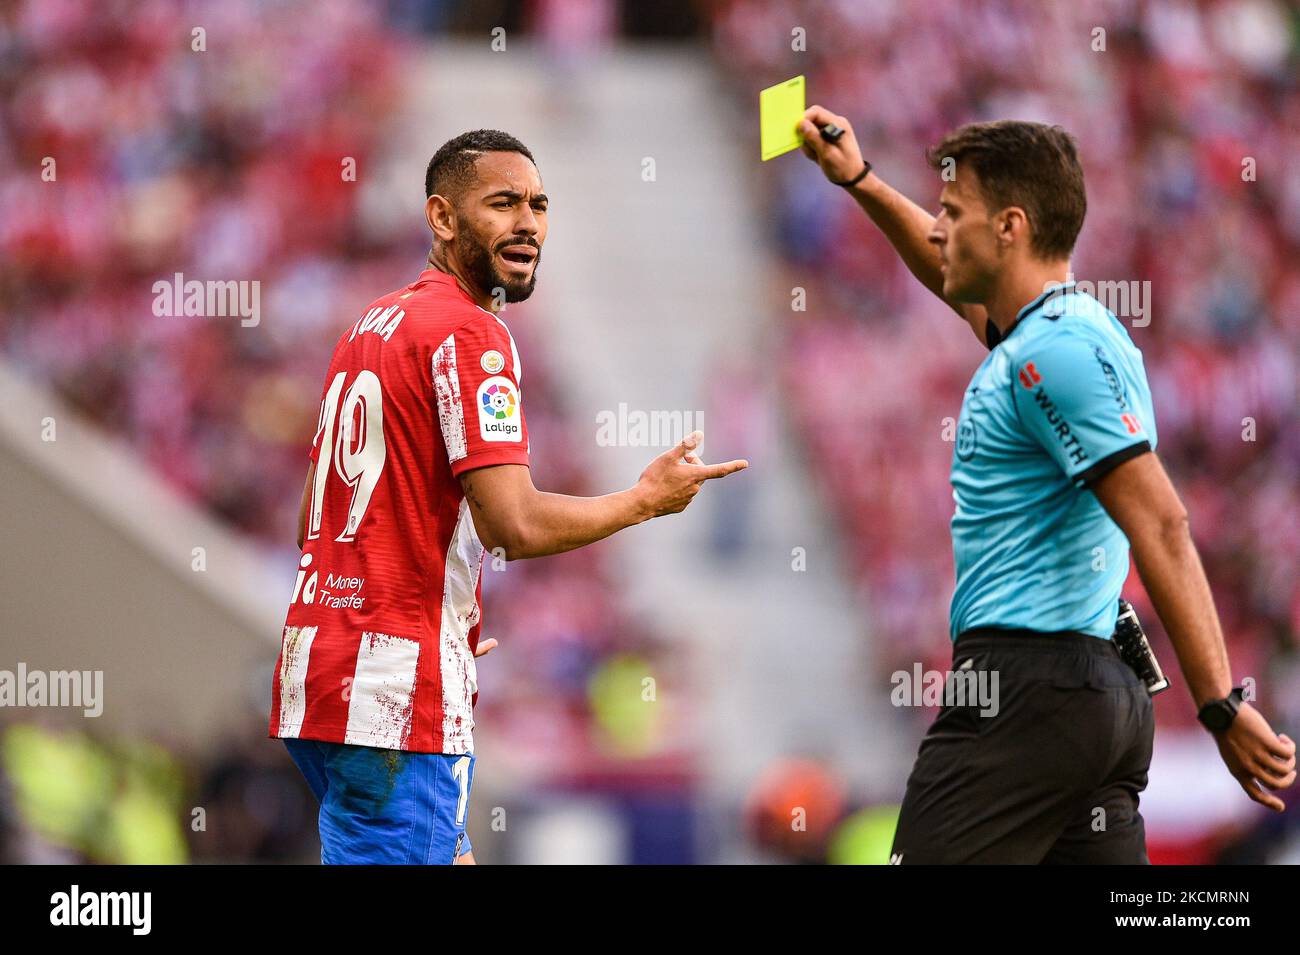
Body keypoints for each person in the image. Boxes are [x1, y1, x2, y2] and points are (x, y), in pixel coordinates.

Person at [797, 108, 1296, 863]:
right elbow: (943, 273)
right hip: (1089, 700)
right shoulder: (1053, 335)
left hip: (1023, 691)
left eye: (953, 211)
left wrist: (1221, 704)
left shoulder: (1053, 353)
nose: (938, 228)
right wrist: (861, 181)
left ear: (1010, 226)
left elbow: (1160, 521)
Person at [268, 129, 747, 865]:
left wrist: (439, 616)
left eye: (539, 204)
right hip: (395, 692)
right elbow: (513, 525)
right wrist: (645, 500)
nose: (528, 221)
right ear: (442, 217)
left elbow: (315, 519)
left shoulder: (369, 326)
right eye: (503, 202)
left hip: (324, 674)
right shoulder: (470, 333)